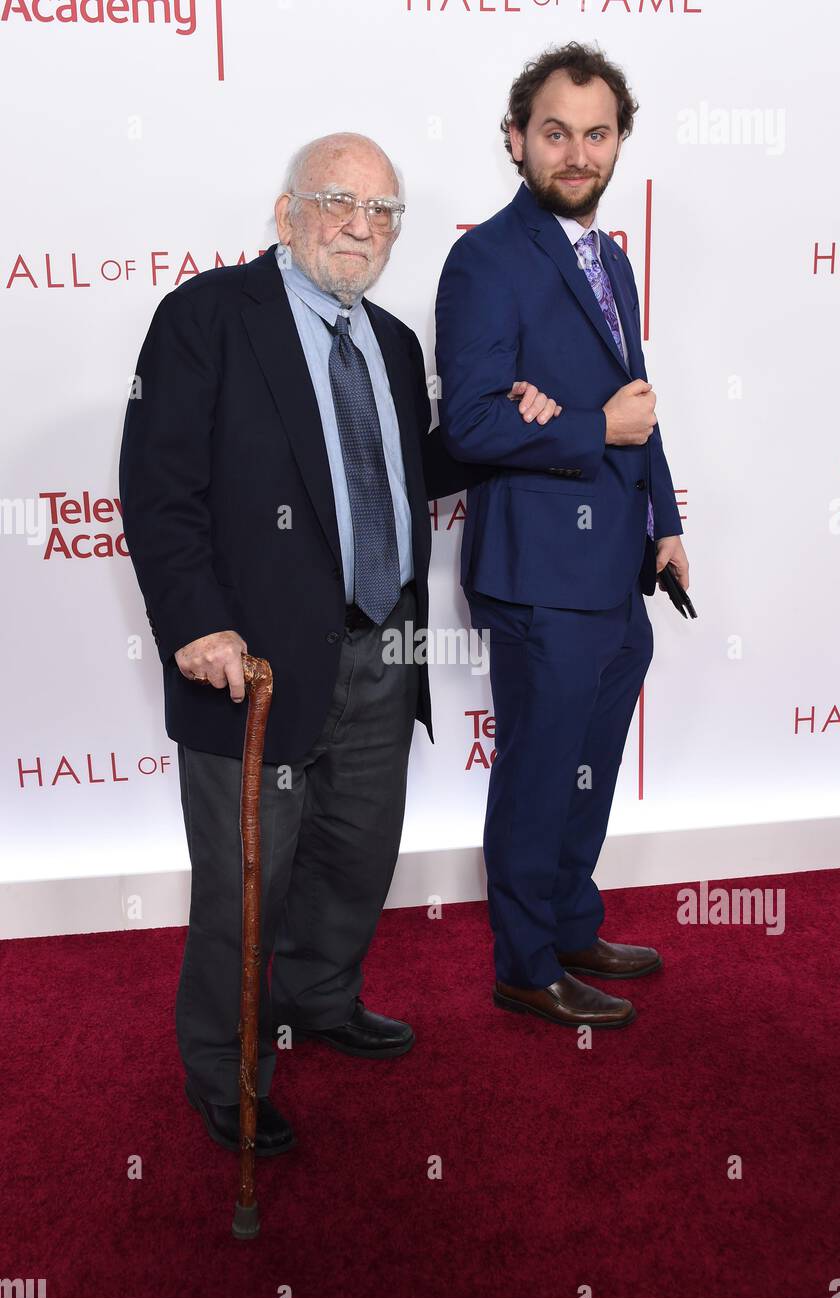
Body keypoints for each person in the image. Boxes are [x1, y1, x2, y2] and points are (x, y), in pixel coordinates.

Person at [119, 131, 556, 1153]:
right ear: (287, 214)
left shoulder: (393, 344)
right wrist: (194, 621)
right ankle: (226, 1072)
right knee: (245, 885)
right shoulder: (205, 320)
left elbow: (403, 472)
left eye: (383, 212)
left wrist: (508, 424)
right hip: (253, 667)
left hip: (381, 650)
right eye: (338, 202)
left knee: (355, 856)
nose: (361, 227)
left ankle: (317, 997)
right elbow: (159, 484)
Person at [435, 43, 690, 1030]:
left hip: (612, 567)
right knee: (540, 769)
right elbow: (468, 425)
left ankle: (571, 923)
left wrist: (663, 521)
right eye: (554, 132)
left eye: (595, 133)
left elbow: (639, 401)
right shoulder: (486, 259)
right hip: (536, 570)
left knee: (587, 762)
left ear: (617, 140)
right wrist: (591, 430)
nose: (575, 152)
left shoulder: (610, 258)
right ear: (515, 139)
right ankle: (523, 962)